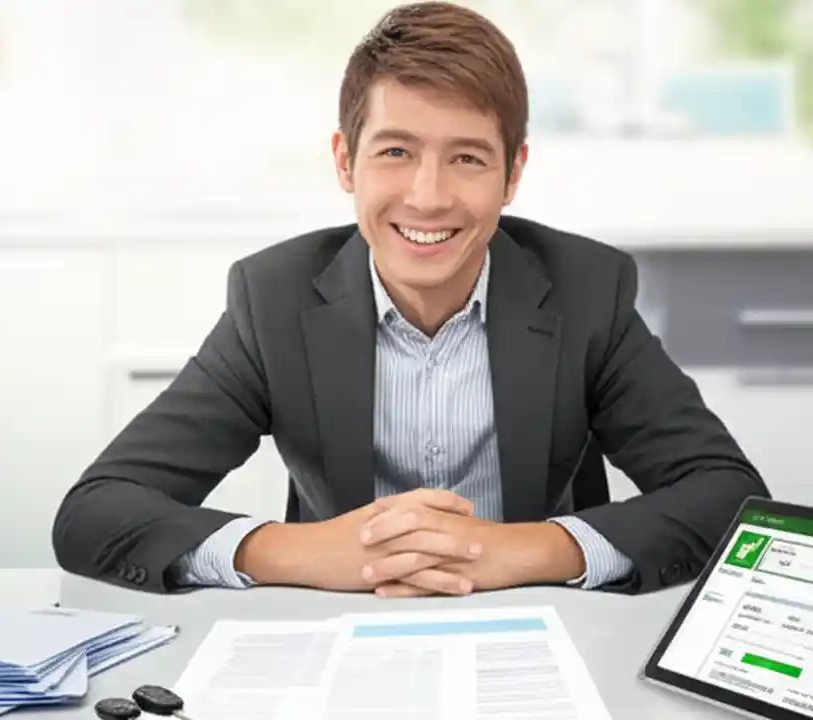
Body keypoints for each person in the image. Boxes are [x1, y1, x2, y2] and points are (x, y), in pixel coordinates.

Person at [52, 1, 767, 598]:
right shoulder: (271, 302)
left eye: (467, 158)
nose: (428, 196)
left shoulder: (586, 291)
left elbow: (728, 496)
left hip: (542, 632)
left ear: (513, 173)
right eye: (395, 151)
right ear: (344, 161)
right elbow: (96, 513)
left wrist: (524, 552)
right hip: (341, 633)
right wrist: (311, 553)